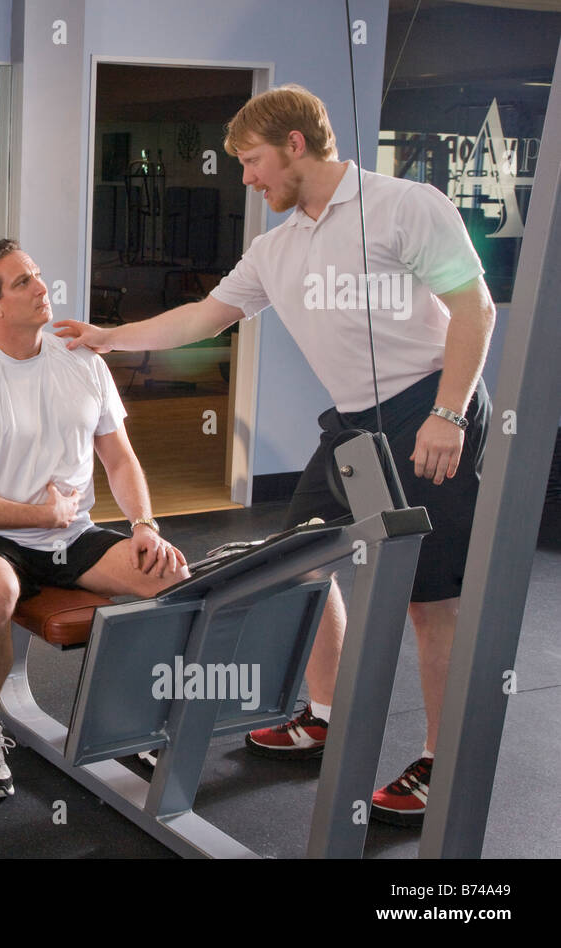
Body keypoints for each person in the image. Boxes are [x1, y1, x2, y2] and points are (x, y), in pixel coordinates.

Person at [55, 84, 495, 827]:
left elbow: (473, 308)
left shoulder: (406, 206)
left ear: (295, 144)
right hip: (356, 424)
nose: (247, 180)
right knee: (302, 562)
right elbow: (204, 316)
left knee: (431, 601)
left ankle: (440, 762)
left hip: (430, 409)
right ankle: (322, 715)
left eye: (253, 162)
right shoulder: (278, 246)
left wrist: (449, 413)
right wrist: (109, 336)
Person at [0, 239, 189, 799]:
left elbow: (118, 457)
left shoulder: (83, 361)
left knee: (171, 579)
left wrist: (145, 523)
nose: (41, 287)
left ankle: (138, 721)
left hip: (71, 534)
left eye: (38, 274)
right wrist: (39, 512)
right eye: (22, 281)